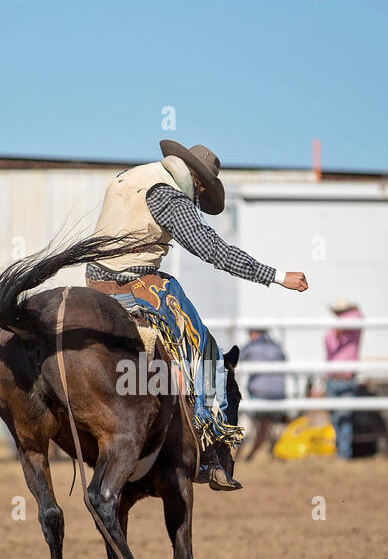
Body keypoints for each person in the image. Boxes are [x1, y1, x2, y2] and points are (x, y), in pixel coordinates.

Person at [83, 139, 309, 491]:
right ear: (197, 181)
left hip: (94, 282)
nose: (197, 201)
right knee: (204, 349)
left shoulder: (130, 176)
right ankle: (210, 447)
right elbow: (211, 248)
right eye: (200, 193)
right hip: (133, 284)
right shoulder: (168, 195)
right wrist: (276, 276)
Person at [237, 328, 287, 462]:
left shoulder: (252, 346)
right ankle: (251, 455)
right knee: (265, 425)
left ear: (254, 333)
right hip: (278, 393)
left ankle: (237, 455)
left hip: (260, 392)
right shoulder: (276, 346)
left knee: (247, 424)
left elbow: (236, 357)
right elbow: (284, 359)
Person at [325, 300, 362, 460]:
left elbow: (357, 317)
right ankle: (340, 451)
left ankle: (344, 454)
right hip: (333, 378)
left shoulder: (354, 323)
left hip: (345, 378)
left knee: (344, 418)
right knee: (336, 418)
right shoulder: (336, 329)